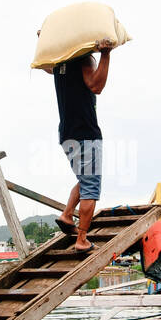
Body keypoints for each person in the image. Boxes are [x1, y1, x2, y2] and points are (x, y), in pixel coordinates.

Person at [50, 42, 112, 254]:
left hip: (66, 132)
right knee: (91, 188)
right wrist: (105, 54)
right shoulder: (84, 59)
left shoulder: (59, 64)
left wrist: (47, 41)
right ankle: (82, 239)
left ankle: (67, 215)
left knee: (85, 179)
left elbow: (46, 65)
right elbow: (96, 86)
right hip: (85, 132)